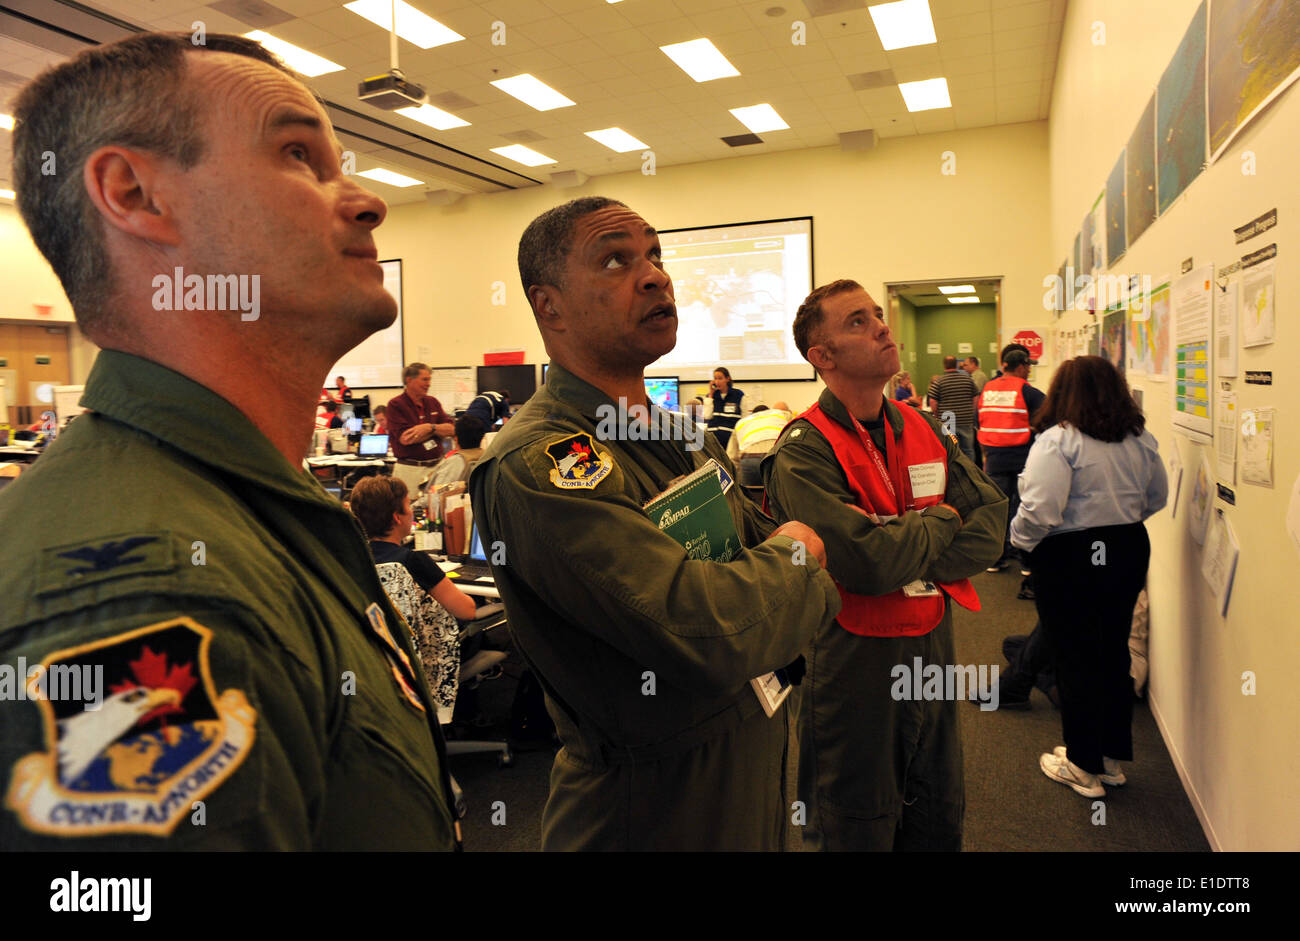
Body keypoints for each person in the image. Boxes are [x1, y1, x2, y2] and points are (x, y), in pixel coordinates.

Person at [0, 32, 459, 849]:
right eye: (296, 154)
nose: (365, 201)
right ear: (134, 194)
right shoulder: (150, 594)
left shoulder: (252, 514)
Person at [469, 196, 841, 851]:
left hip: (752, 754)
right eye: (615, 259)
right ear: (548, 305)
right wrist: (798, 558)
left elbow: (757, 569)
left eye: (655, 256)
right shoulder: (540, 461)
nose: (655, 276)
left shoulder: (680, 433)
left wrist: (781, 576)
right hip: (652, 805)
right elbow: (709, 629)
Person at [764, 280, 1007, 851]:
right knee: (856, 824)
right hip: (853, 664)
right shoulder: (803, 448)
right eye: (857, 322)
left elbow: (992, 530)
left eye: (877, 314)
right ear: (821, 357)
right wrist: (942, 520)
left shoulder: (920, 425)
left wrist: (899, 538)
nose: (881, 327)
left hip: (933, 647)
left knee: (936, 816)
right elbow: (865, 565)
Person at [1010, 356, 1167, 798]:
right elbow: (1157, 497)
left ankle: (1082, 765)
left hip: (1072, 555)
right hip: (1128, 548)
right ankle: (1110, 758)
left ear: (1061, 393)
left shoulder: (1058, 441)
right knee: (1112, 651)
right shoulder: (1140, 439)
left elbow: (1040, 511)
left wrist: (1019, 541)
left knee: (1075, 656)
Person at [351, 476, 477, 620]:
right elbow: (467, 611)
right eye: (408, 506)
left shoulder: (355, 560)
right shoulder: (413, 561)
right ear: (397, 518)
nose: (412, 512)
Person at [977, 348, 1045, 576]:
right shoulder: (1028, 392)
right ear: (1022, 366)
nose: (1028, 370)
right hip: (1023, 458)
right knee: (1025, 508)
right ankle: (1026, 561)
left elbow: (982, 417)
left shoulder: (988, 388)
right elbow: (1048, 419)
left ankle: (996, 559)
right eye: (1028, 366)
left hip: (994, 458)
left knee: (999, 510)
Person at [387, 362, 454, 492]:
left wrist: (430, 428)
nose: (428, 383)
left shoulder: (432, 402)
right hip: (410, 471)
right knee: (411, 509)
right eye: (424, 379)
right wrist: (438, 431)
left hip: (437, 468)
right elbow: (406, 439)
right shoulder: (395, 405)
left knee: (438, 508)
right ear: (409, 380)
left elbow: (451, 430)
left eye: (429, 379)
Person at [725, 401, 792, 488]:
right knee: (779, 495)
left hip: (749, 459)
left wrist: (738, 483)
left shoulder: (741, 423)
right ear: (769, 411)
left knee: (752, 496)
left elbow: (731, 457)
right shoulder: (779, 414)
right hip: (775, 457)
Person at [926, 355, 979, 463]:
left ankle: (954, 475)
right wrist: (971, 411)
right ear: (956, 364)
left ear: (944, 365)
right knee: (968, 450)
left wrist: (937, 416)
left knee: (950, 450)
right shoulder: (968, 379)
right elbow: (976, 396)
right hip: (966, 419)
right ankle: (970, 474)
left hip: (948, 420)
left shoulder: (939, 381)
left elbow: (932, 401)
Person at [428, 414, 487, 492]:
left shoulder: (455, 461)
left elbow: (438, 493)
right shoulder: (487, 456)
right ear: (482, 438)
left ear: (456, 439)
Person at [701, 365, 745, 448]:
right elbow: (707, 415)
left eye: (720, 378)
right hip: (713, 439)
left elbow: (744, 418)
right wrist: (711, 394)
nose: (717, 382)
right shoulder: (711, 396)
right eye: (715, 378)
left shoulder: (738, 395)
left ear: (727, 379)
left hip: (730, 440)